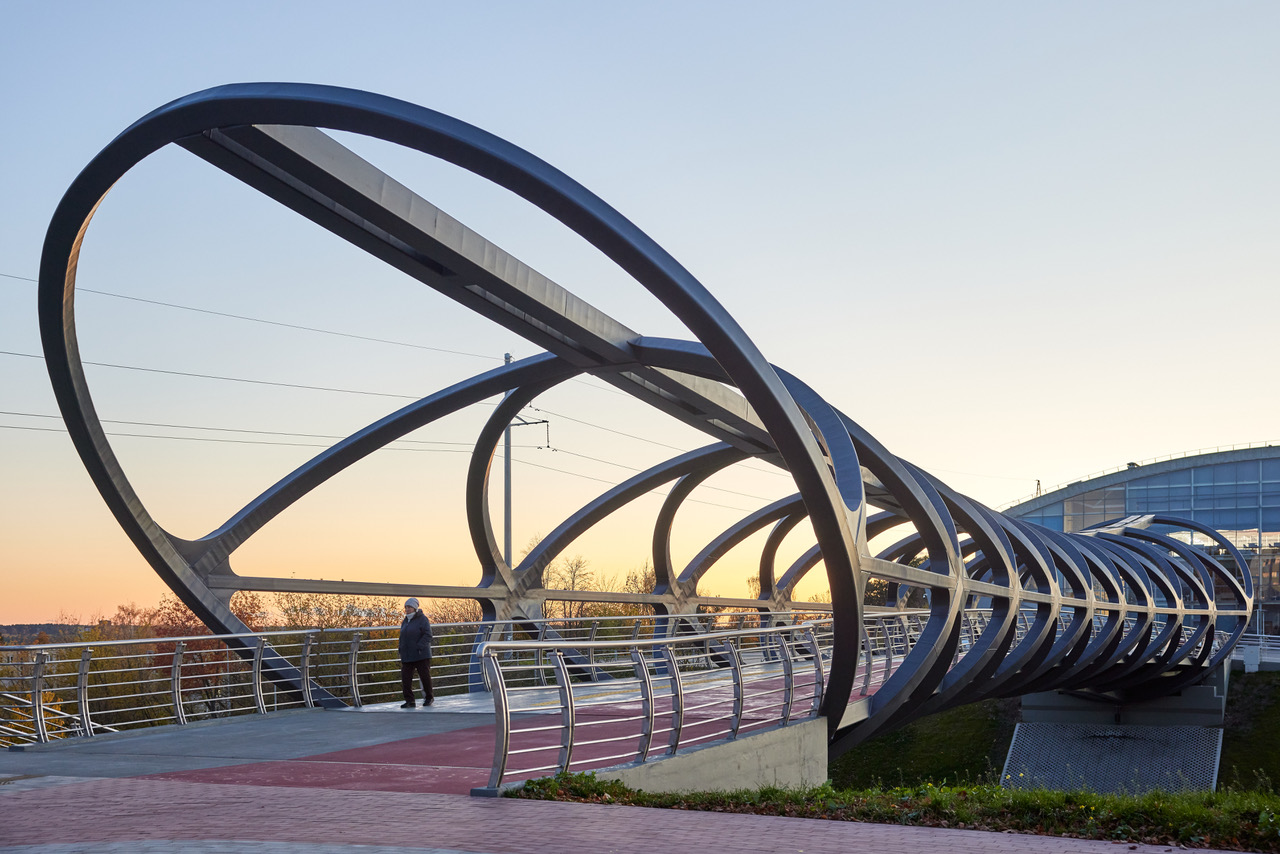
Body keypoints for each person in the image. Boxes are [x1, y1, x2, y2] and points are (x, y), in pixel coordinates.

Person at [398, 598, 434, 708]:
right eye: (406, 607)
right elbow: (402, 636)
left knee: (424, 677)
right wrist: (400, 648)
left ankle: (429, 697)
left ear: (414, 608)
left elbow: (428, 635)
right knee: (406, 678)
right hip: (407, 654)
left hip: (421, 654)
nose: (407, 609)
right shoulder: (405, 621)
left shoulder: (422, 619)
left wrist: (419, 646)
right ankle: (410, 700)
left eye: (409, 607)